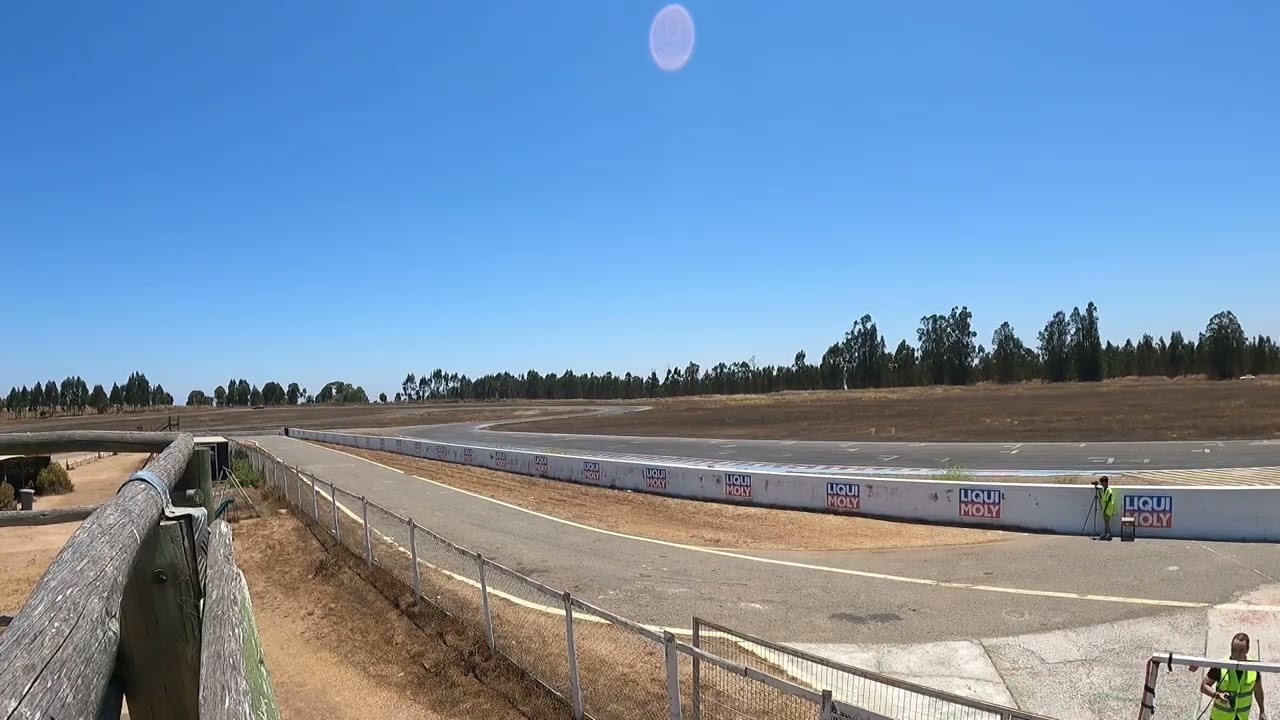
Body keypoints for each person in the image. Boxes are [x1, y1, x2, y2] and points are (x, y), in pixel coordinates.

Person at [1201, 632, 1267, 720]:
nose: (1236, 654)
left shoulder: (1253, 667)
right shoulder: (1221, 665)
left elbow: (1258, 690)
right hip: (1220, 718)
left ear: (1247, 650)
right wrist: (1217, 695)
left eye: (1241, 650)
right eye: (1234, 649)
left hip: (1241, 717)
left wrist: (1262, 711)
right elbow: (1204, 686)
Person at [1097, 476, 1117, 541]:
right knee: (1105, 521)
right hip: (1105, 508)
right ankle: (1106, 532)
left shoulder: (1109, 490)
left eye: (1102, 483)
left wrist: (1105, 509)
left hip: (1108, 508)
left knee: (1107, 521)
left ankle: (1108, 533)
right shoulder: (1104, 490)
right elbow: (1103, 498)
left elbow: (1108, 501)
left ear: (1105, 482)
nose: (1101, 484)